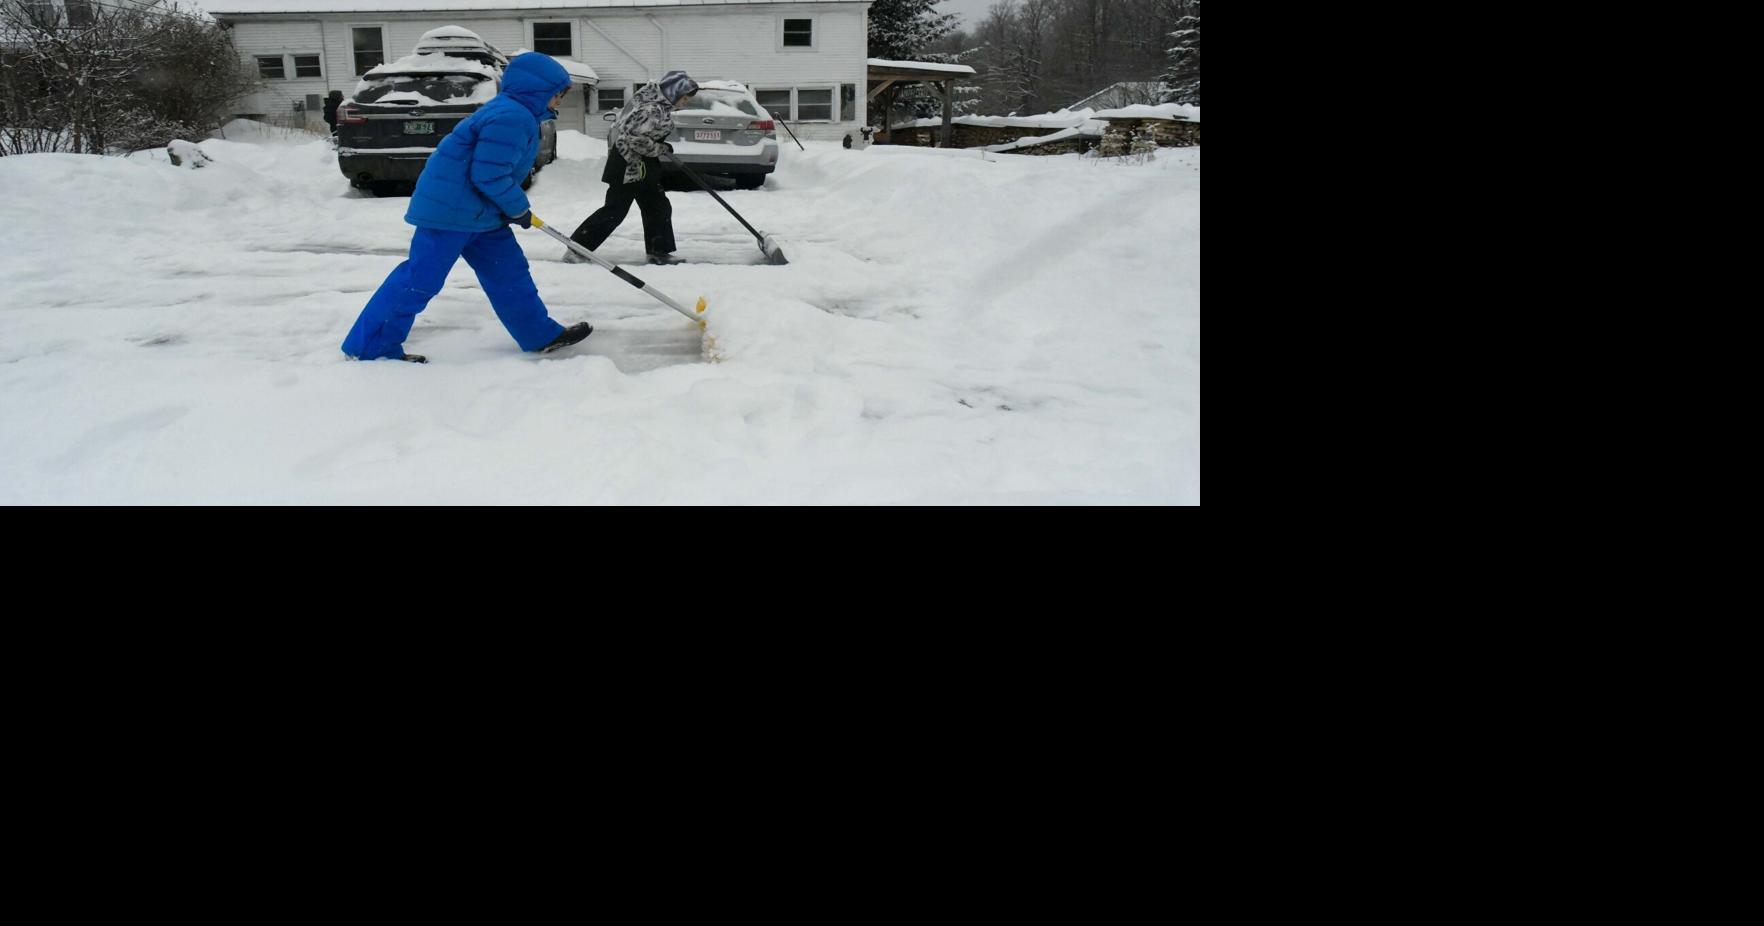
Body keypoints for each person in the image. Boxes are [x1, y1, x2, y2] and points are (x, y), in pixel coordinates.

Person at [340, 54, 591, 363]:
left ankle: (539, 334)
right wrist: (517, 208)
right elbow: (488, 174)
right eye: (557, 93)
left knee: (509, 274)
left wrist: (508, 208)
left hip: (482, 212)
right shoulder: (511, 117)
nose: (559, 101)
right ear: (535, 90)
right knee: (420, 279)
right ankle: (371, 346)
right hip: (450, 212)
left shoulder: (517, 113)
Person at [567, 70, 699, 266]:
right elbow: (634, 138)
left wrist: (658, 148)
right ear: (673, 92)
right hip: (629, 165)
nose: (685, 102)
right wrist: (660, 148)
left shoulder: (658, 106)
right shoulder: (652, 109)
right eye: (685, 98)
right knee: (615, 209)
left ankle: (659, 252)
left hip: (641, 165)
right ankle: (577, 248)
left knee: (657, 206)